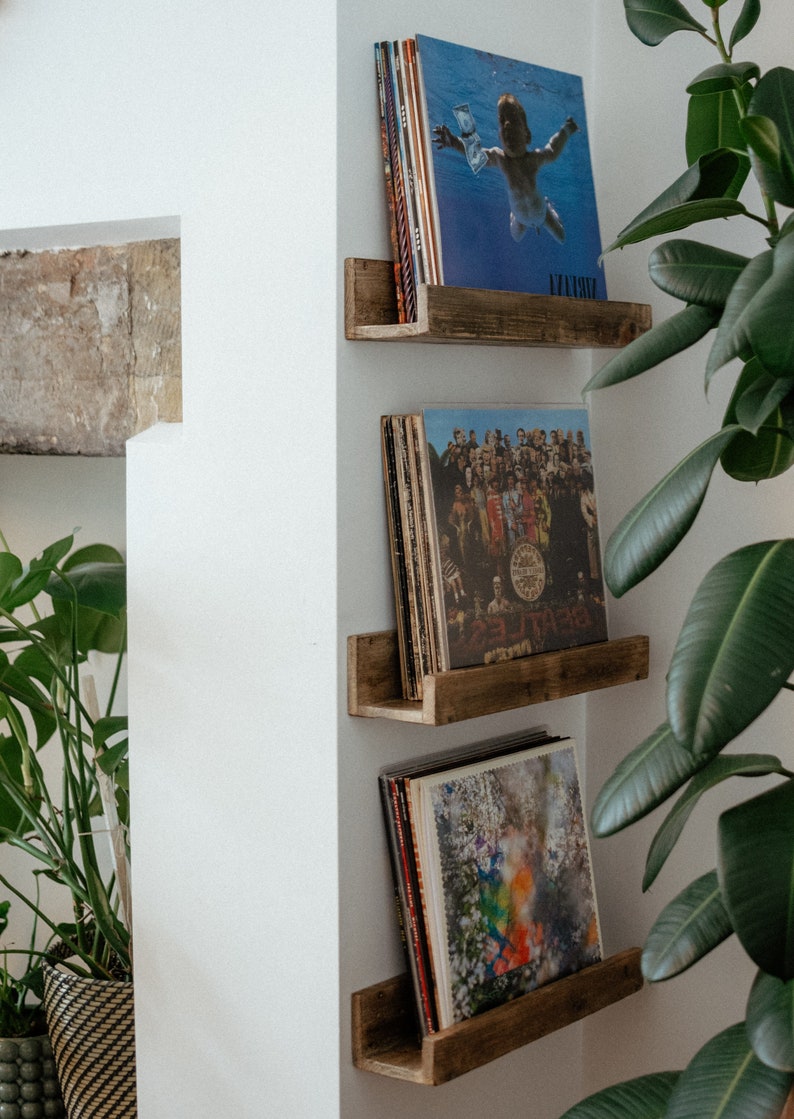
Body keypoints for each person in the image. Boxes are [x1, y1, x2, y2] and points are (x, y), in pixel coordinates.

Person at [433, 92, 579, 243]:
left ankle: (548, 206)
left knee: (562, 237)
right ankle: (513, 215)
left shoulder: (533, 159)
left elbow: (552, 150)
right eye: (502, 121)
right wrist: (453, 142)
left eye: (513, 120)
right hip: (520, 218)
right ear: (499, 137)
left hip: (542, 214)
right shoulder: (500, 158)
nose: (507, 125)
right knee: (516, 237)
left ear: (527, 135)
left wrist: (567, 129)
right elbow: (476, 156)